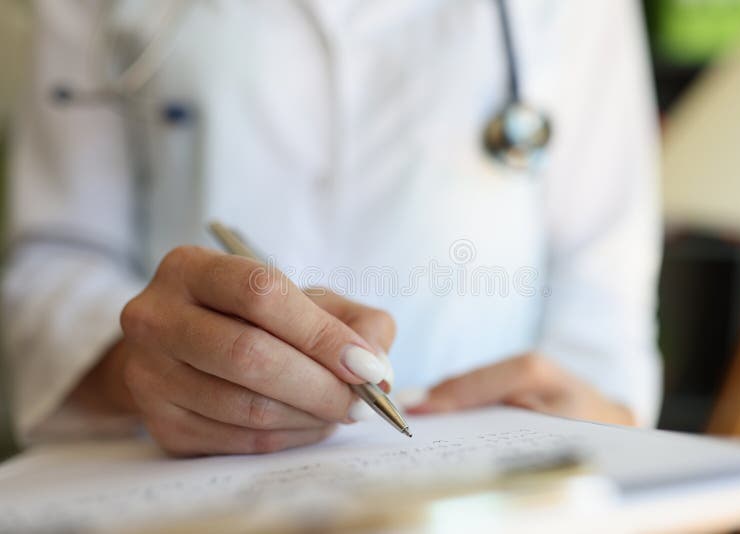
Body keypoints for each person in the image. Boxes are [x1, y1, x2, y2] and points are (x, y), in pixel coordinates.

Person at [2, 0, 662, 456]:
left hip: (497, 491)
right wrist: (133, 368)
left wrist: (596, 416)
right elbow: (56, 258)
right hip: (189, 480)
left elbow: (603, 278)